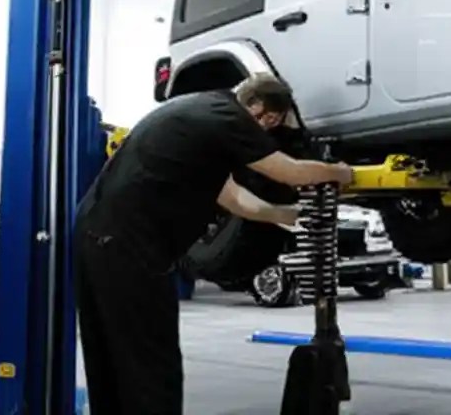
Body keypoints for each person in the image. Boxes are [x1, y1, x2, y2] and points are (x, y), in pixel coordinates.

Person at [72, 73, 353, 414]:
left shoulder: (199, 111)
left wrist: (285, 214)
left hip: (95, 236)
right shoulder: (228, 118)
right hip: (132, 245)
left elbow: (234, 199)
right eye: (271, 122)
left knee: (111, 358)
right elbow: (289, 171)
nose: (266, 131)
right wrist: (339, 173)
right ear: (260, 109)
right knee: (151, 364)